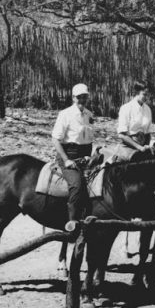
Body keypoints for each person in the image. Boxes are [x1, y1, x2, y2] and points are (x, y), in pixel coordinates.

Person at [51, 83, 100, 226]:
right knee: (77, 185)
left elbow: (87, 138)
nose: (82, 100)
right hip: (69, 156)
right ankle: (72, 223)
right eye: (79, 97)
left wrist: (94, 154)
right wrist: (66, 160)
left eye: (85, 97)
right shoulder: (65, 114)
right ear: (73, 98)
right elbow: (55, 139)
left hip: (85, 156)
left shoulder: (89, 114)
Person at [114, 81, 154, 160]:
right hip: (127, 147)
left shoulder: (148, 109)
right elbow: (122, 135)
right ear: (137, 93)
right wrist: (139, 147)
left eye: (148, 95)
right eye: (144, 94)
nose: (147, 97)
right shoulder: (126, 108)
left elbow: (148, 133)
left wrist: (146, 146)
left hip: (142, 147)